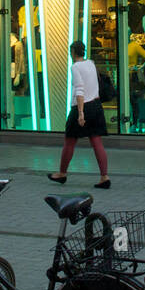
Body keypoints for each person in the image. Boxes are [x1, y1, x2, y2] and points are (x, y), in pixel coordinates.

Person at [47, 41, 109, 189]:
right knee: (96, 141)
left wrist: (81, 114)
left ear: (73, 52)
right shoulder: (91, 63)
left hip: (81, 107)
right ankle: (104, 176)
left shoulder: (75, 67)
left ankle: (62, 173)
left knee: (70, 140)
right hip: (96, 105)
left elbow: (80, 90)